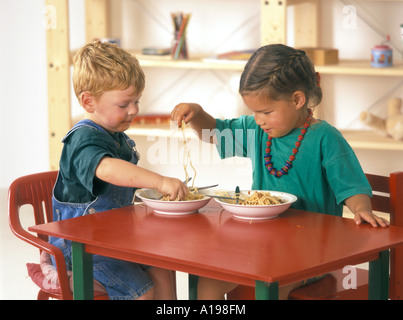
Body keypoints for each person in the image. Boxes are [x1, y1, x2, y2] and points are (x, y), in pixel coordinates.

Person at [171, 44, 389, 299]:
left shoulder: (324, 137)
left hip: (313, 254)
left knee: (270, 284)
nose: (259, 119)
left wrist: (362, 210)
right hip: (262, 247)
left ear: (298, 100)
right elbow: (215, 133)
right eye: (253, 112)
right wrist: (197, 114)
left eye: (266, 112)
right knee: (208, 282)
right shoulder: (257, 130)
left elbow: (350, 185)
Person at [49, 41, 188, 300]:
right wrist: (159, 180)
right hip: (81, 246)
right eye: (124, 105)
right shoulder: (82, 139)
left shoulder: (116, 136)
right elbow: (108, 169)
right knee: (141, 291)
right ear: (88, 101)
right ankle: (77, 277)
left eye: (136, 101)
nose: (134, 110)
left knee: (163, 268)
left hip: (114, 238)